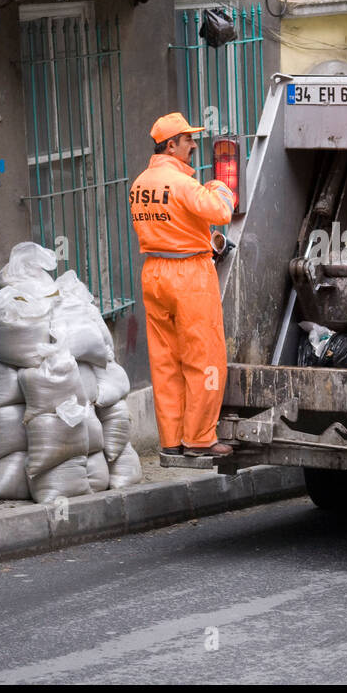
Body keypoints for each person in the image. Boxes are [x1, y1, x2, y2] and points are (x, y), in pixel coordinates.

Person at [129, 112, 235, 457]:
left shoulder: (139, 185)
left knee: (165, 362)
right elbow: (220, 212)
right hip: (189, 275)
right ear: (171, 145)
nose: (193, 144)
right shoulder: (184, 184)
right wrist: (220, 186)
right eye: (188, 139)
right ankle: (200, 438)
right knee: (204, 357)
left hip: (154, 274)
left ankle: (171, 441)